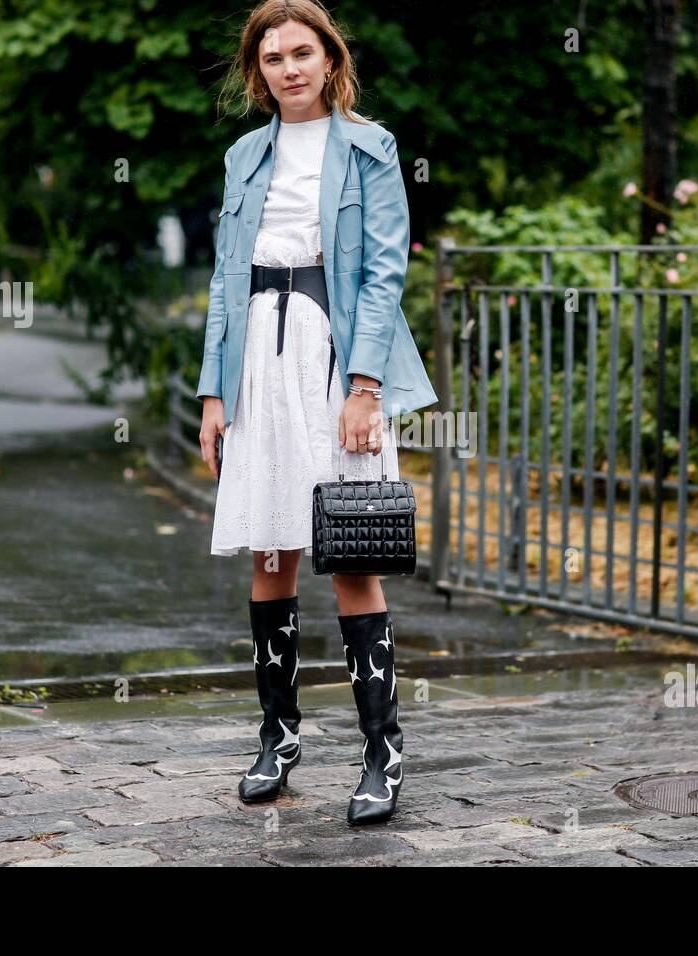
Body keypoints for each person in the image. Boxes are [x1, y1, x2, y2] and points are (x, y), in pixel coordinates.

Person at [196, 0, 437, 826]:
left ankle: (383, 751)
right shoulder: (242, 158)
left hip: (336, 359)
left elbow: (383, 273)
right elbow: (227, 280)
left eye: (303, 53)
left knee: (353, 553)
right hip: (256, 359)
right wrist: (212, 394)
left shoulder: (370, 148)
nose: (288, 69)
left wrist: (365, 387)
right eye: (272, 59)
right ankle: (278, 737)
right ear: (257, 72)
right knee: (271, 550)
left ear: (330, 60)